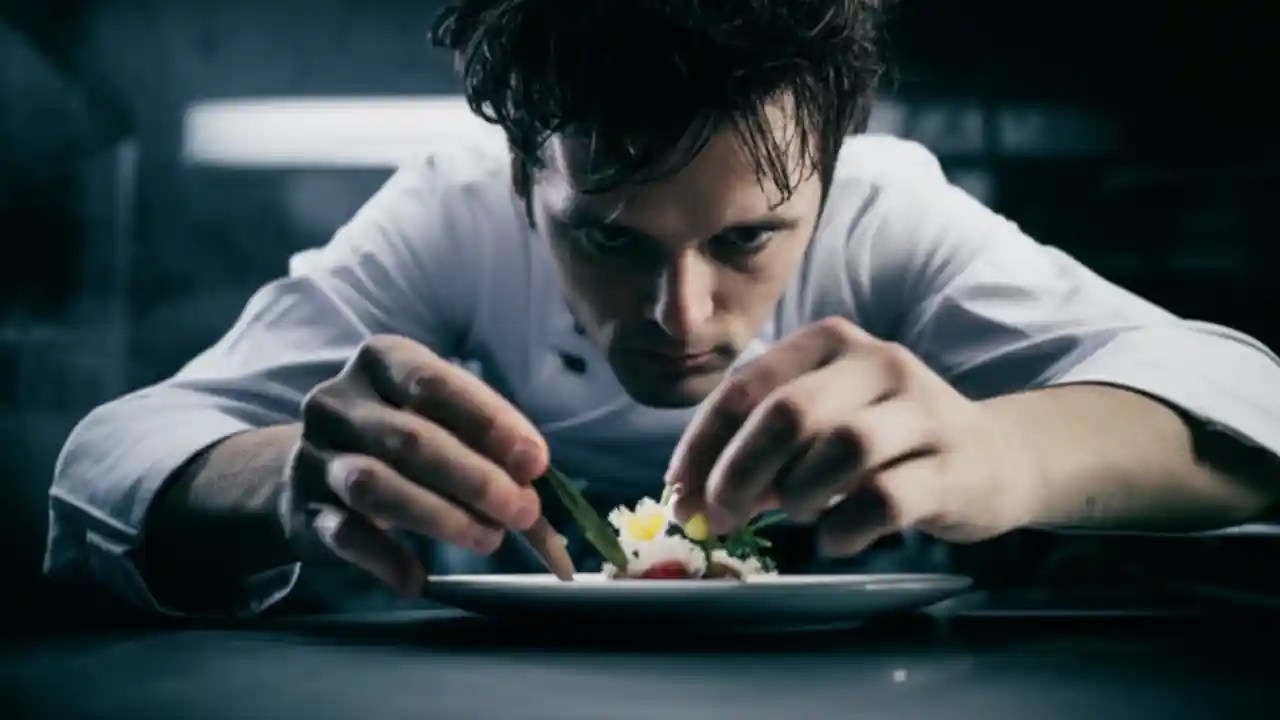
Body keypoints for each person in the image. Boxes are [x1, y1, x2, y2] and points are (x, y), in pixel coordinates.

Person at [46, 0, 1279, 615]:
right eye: (604, 237)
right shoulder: (448, 211)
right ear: (524, 180)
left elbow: (1252, 402)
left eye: (747, 237)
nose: (680, 316)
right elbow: (112, 454)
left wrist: (1003, 450)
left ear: (833, 174)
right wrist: (287, 475)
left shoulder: (885, 209)